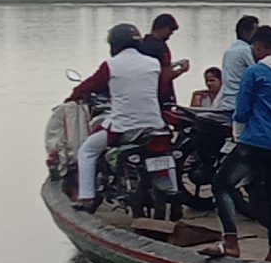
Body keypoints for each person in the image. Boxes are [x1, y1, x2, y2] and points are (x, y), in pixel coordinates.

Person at [210, 26, 271, 263]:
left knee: (222, 184)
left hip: (257, 141)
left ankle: (231, 242)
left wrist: (237, 133)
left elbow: (241, 111)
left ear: (258, 47)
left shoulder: (255, 72)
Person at [68, 23, 165, 211]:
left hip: (124, 126)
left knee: (87, 151)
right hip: (154, 124)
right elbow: (160, 91)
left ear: (115, 43)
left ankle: (87, 197)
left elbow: (89, 85)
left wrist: (73, 95)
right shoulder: (154, 63)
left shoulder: (111, 65)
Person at [139, 13, 190, 107]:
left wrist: (174, 65)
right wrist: (182, 70)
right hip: (162, 98)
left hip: (146, 95)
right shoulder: (160, 47)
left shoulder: (143, 44)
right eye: (170, 30)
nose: (171, 33)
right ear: (163, 27)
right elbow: (165, 76)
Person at [219, 15, 260, 121]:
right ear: (245, 32)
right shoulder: (246, 51)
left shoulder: (229, 51)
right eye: (255, 31)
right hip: (240, 103)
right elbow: (259, 73)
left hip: (228, 101)